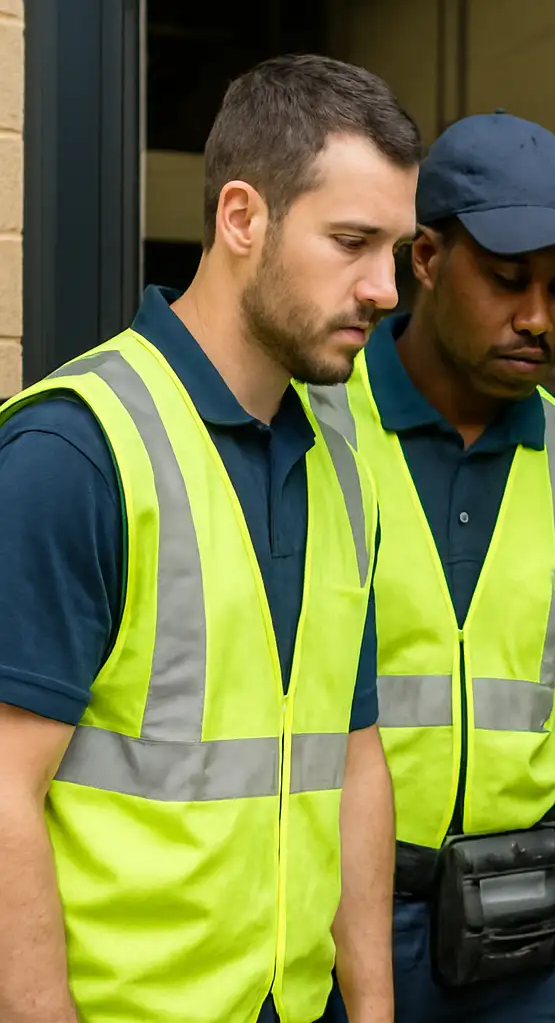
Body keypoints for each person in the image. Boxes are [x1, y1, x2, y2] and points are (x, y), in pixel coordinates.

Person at [0, 54, 419, 1023]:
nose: (388, 287)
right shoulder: (75, 451)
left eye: (395, 247)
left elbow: (354, 760)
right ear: (242, 217)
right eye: (353, 241)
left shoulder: (341, 460)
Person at [310, 112, 555, 1023]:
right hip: (333, 917)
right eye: (507, 281)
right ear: (423, 258)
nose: (539, 318)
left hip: (521, 931)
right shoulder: (313, 432)